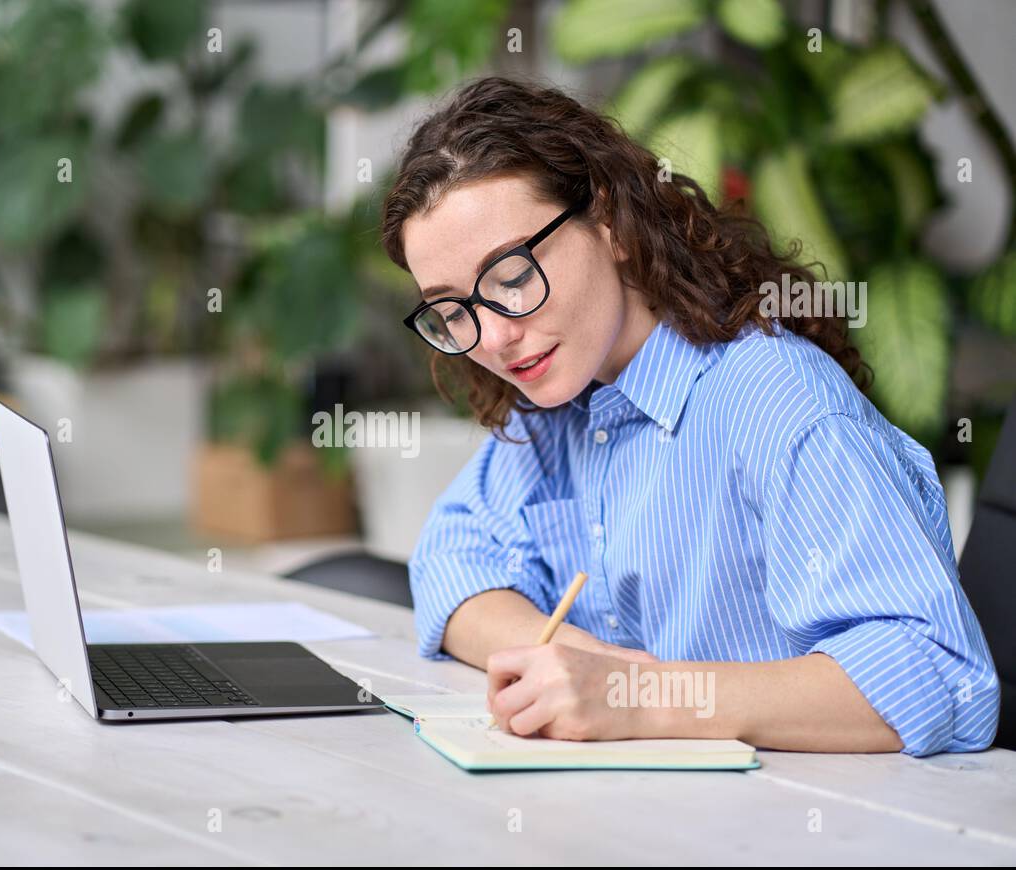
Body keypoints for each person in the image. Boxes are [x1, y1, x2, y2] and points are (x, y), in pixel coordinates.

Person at [380, 76, 997, 757]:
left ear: (608, 221)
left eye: (513, 277)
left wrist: (639, 695)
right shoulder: (558, 400)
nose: (494, 339)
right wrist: (575, 661)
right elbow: (452, 563)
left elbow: (939, 674)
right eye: (453, 310)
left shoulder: (778, 401)